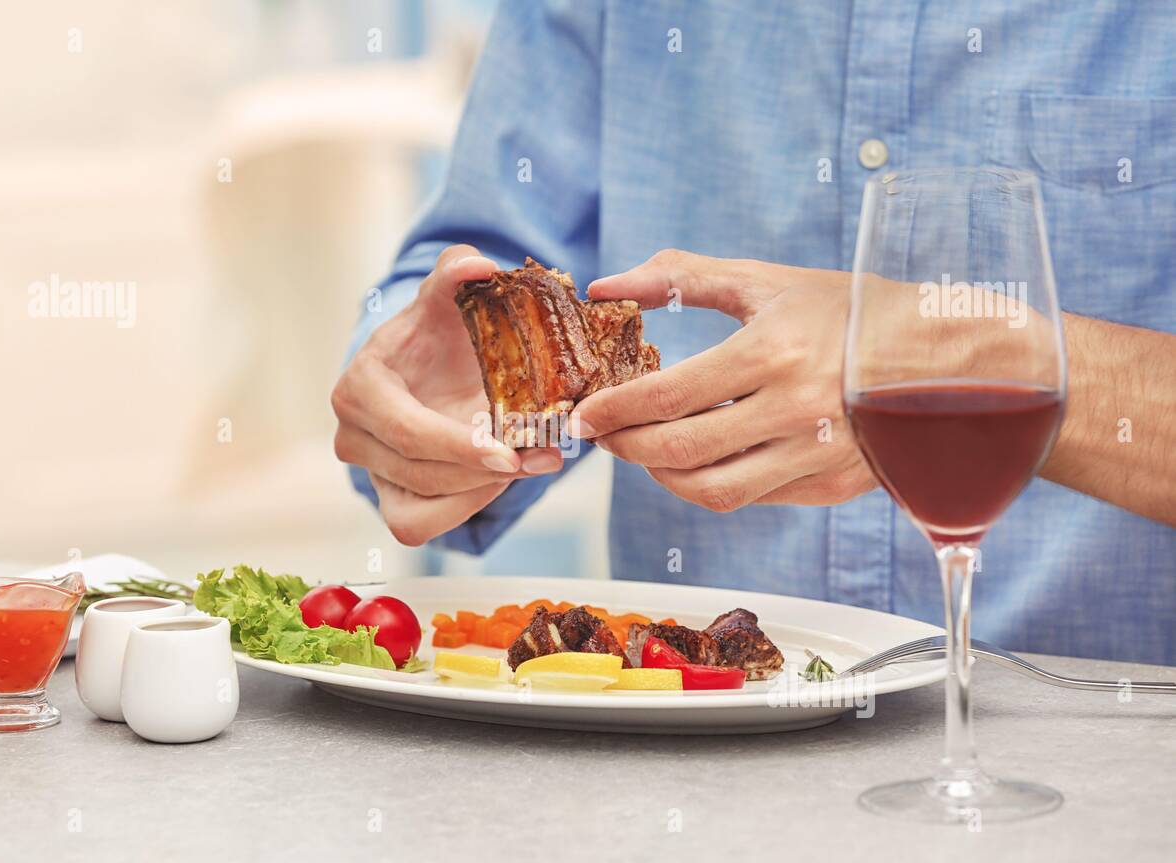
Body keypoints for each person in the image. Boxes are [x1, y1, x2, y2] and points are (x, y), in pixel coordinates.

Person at [332, 3, 1176, 664]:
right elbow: (482, 259)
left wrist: (987, 362)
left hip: (1098, 760)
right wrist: (420, 411)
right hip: (693, 751)